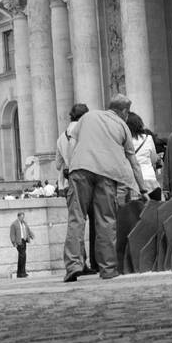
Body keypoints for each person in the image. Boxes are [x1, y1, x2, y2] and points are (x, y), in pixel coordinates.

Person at [62, 94, 148, 283]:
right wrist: (143, 189)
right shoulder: (123, 126)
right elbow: (133, 162)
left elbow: (72, 144)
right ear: (125, 112)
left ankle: (73, 266)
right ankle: (108, 269)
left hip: (80, 170)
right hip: (106, 174)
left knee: (76, 218)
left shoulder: (87, 117)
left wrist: (70, 167)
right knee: (106, 220)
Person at [56, 103, 98, 274]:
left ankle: (80, 263)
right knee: (96, 221)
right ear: (85, 117)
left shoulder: (61, 137)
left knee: (76, 222)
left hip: (69, 184)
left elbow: (58, 164)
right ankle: (97, 262)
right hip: (87, 178)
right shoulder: (84, 132)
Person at [126, 112, 163, 200]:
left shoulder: (124, 141)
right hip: (151, 181)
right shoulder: (148, 138)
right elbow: (153, 159)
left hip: (134, 184)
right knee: (154, 212)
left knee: (136, 213)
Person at [10, 211, 34, 278]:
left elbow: (28, 230)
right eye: (21, 217)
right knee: (23, 256)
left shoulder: (24, 223)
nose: (22, 218)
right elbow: (12, 234)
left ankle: (19, 273)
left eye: (23, 217)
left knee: (22, 257)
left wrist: (31, 235)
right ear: (18, 216)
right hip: (18, 242)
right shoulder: (14, 224)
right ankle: (22, 273)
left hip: (24, 241)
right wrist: (14, 242)